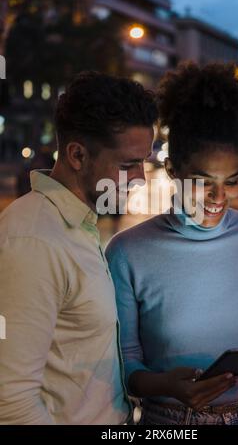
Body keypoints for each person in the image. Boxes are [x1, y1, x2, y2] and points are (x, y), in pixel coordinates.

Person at [105, 62, 238, 426]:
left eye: (233, 180)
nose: (219, 197)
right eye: (202, 181)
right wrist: (164, 385)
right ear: (173, 169)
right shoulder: (127, 251)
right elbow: (125, 362)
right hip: (169, 422)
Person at [0, 71, 157, 424]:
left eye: (144, 163)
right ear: (76, 155)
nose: (141, 179)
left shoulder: (78, 222)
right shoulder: (33, 243)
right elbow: (10, 401)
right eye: (128, 165)